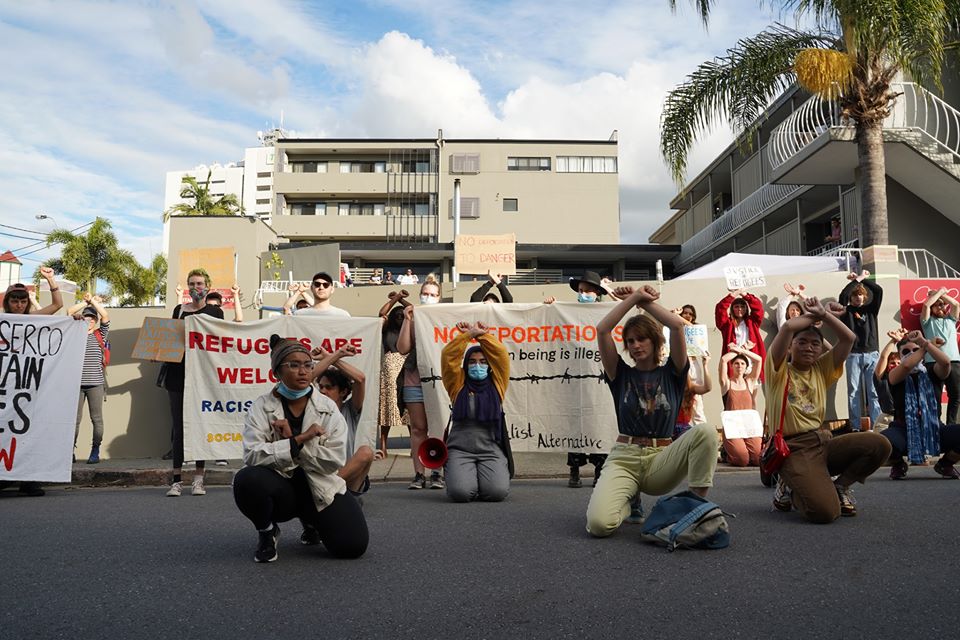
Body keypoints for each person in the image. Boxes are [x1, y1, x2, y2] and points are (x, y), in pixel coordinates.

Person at [585, 285, 719, 537]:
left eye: (642, 338)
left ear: (655, 340)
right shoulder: (619, 374)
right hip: (624, 458)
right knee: (599, 525)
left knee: (707, 432)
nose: (636, 345)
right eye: (630, 341)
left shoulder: (673, 372)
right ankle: (629, 501)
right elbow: (602, 330)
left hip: (661, 458)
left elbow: (677, 326)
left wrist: (642, 301)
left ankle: (695, 509)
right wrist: (635, 297)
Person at [232, 335, 368, 563]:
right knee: (247, 479)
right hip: (282, 490)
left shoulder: (328, 408)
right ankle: (267, 532)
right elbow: (253, 454)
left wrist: (294, 444)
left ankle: (312, 521)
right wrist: (298, 440)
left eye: (307, 365)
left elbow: (334, 461)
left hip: (320, 488)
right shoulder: (261, 407)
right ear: (277, 372)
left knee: (352, 547)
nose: (303, 371)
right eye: (294, 365)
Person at [765, 296, 891, 522]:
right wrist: (817, 313)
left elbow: (849, 338)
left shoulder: (821, 369)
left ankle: (840, 486)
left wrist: (825, 315)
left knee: (879, 444)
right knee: (826, 512)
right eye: (802, 342)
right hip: (794, 449)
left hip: (823, 441)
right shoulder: (777, 370)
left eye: (815, 343)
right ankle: (791, 488)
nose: (809, 347)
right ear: (790, 346)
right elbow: (788, 327)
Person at [1, 266, 62, 497]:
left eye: (23, 301)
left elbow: (57, 305)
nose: (19, 305)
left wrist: (51, 280)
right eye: (14, 300)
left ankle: (29, 480)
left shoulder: (34, 320)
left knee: (29, 431)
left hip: (28, 387)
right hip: (4, 388)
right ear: (7, 302)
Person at [163, 269, 224, 497]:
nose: (195, 287)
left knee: (199, 425)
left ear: (207, 286)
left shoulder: (215, 312)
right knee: (179, 428)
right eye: (191, 283)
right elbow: (170, 339)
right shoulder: (179, 310)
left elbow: (220, 341)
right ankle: (176, 480)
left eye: (199, 283)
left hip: (202, 377)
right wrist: (158, 352)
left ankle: (199, 479)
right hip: (177, 375)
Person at [546, 271, 609, 487]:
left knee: (599, 423)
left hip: (599, 379)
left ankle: (600, 469)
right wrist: (550, 307)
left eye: (587, 291)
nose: (583, 294)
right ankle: (574, 469)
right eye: (581, 291)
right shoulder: (569, 313)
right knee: (575, 424)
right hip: (573, 378)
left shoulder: (607, 312)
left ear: (597, 293)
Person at [440, 322, 513, 502]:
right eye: (472, 362)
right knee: (461, 493)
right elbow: (448, 356)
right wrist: (467, 336)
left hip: (490, 450)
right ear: (466, 365)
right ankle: (462, 477)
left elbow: (501, 355)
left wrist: (481, 335)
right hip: (460, 450)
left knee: (496, 493)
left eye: (482, 362)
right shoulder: (457, 384)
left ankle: (483, 479)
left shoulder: (497, 384)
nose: (477, 365)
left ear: (489, 365)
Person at [881, 330, 960, 480]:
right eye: (906, 352)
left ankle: (945, 464)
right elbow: (906, 366)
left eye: (915, 350)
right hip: (904, 430)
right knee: (883, 442)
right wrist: (924, 347)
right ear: (900, 356)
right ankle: (898, 464)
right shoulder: (894, 374)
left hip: (934, 428)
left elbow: (946, 363)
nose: (912, 354)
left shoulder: (932, 372)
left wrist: (924, 342)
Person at [310, 344, 379, 503]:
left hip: (344, 478)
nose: (323, 391)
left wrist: (332, 356)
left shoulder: (350, 410)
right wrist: (330, 357)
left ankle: (336, 491)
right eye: (321, 387)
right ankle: (331, 492)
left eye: (329, 387)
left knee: (366, 452)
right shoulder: (314, 408)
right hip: (321, 474)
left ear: (343, 392)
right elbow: (308, 378)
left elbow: (360, 379)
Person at [397, 276, 443, 489]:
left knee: (439, 427)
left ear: (439, 298)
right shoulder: (412, 317)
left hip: (439, 381)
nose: (428, 297)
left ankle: (437, 472)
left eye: (432, 295)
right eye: (425, 294)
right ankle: (419, 474)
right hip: (414, 380)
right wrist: (408, 319)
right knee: (418, 428)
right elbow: (402, 348)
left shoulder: (444, 317)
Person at [66, 293, 110, 465]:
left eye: (92, 318)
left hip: (96, 384)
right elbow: (69, 311)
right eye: (87, 317)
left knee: (96, 419)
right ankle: (70, 451)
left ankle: (95, 450)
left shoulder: (101, 334)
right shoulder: (75, 333)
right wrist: (85, 302)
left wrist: (93, 302)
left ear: (96, 321)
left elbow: (105, 315)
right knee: (74, 421)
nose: (89, 320)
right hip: (76, 384)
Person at [838, 270, 883, 431]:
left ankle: (877, 426)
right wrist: (856, 280)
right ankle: (855, 427)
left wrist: (862, 280)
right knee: (853, 392)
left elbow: (878, 291)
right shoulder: (846, 311)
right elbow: (843, 296)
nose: (858, 297)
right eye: (855, 295)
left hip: (872, 354)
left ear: (865, 296)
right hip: (853, 355)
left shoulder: (871, 309)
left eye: (860, 295)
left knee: (874, 392)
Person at [377, 291, 412, 456]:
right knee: (388, 405)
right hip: (390, 369)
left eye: (402, 315)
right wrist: (396, 298)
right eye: (396, 315)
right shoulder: (386, 329)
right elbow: (381, 313)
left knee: (410, 405)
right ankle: (383, 445)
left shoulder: (409, 328)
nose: (400, 317)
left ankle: (414, 445)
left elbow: (415, 311)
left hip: (408, 366)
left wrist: (403, 301)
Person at [718, 343, 763, 466]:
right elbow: (723, 360)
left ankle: (738, 449)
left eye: (743, 363)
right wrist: (737, 351)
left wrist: (743, 350)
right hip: (732, 427)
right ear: (732, 366)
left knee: (757, 459)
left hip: (749, 426)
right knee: (742, 460)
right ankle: (726, 453)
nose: (739, 366)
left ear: (746, 367)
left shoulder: (750, 382)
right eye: (736, 363)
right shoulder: (726, 383)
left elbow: (759, 360)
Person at [921, 287, 960, 423]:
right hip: (933, 362)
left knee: (956, 395)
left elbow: (956, 304)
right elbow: (926, 305)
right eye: (936, 305)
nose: (940, 307)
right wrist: (938, 293)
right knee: (935, 396)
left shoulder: (951, 319)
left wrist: (940, 295)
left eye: (942, 304)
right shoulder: (927, 322)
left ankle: (951, 424)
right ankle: (936, 424)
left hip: (954, 361)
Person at [715, 287, 766, 380]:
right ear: (732, 309)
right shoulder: (727, 324)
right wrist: (734, 294)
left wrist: (744, 294)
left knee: (751, 386)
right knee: (734, 387)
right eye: (736, 307)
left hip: (750, 360)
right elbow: (720, 308)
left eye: (742, 307)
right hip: (734, 361)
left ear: (746, 309)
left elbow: (758, 307)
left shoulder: (752, 322)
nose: (739, 309)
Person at [283, 272, 350, 317]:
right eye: (317, 284)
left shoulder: (342, 315)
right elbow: (286, 308)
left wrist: (302, 292)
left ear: (332, 289)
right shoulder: (299, 314)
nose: (321, 287)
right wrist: (299, 291)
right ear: (311, 288)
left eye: (326, 285)